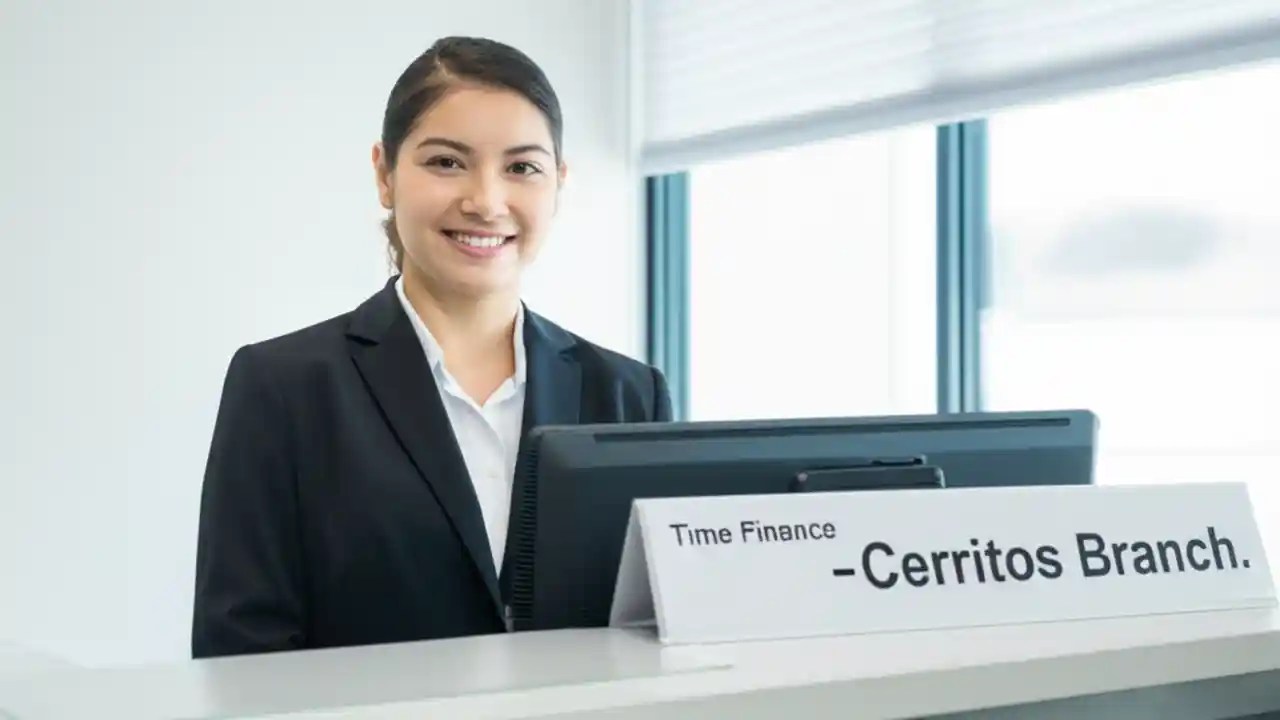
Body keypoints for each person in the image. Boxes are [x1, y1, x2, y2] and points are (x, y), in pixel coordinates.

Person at [191, 36, 672, 658]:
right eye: (447, 162)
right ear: (385, 174)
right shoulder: (283, 386)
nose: (486, 201)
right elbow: (239, 655)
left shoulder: (630, 394)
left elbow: (659, 637)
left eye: (521, 167)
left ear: (559, 182)